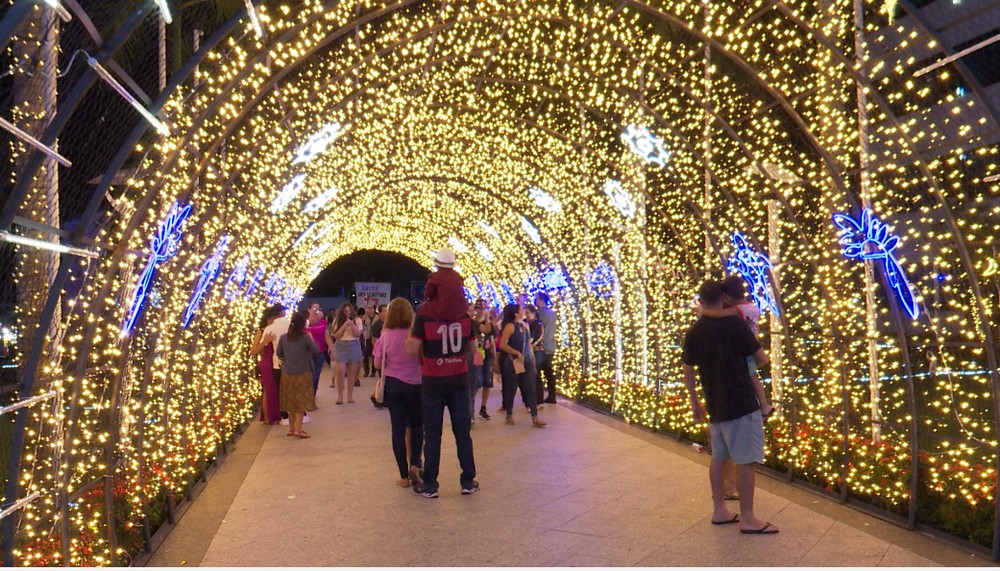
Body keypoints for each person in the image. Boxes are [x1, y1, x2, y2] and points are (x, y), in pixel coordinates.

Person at [682, 280, 777, 535]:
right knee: (745, 461)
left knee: (719, 456)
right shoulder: (735, 324)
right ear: (723, 297)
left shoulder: (695, 331)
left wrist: (695, 403)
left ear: (700, 300)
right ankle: (748, 518)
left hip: (715, 402)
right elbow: (762, 358)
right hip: (741, 401)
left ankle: (720, 510)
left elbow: (688, 370)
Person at [405, 247, 479, 498]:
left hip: (433, 381)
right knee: (462, 432)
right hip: (459, 379)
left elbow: (412, 348)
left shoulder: (425, 313)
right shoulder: (464, 313)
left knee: (433, 433)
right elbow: (472, 347)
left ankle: (431, 485)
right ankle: (468, 480)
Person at [699, 275, 773, 418]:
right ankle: (763, 405)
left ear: (727, 296)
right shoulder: (751, 307)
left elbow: (719, 314)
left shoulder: (739, 309)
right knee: (751, 375)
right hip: (752, 346)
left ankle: (764, 405)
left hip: (747, 348)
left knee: (750, 375)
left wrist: (704, 312)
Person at [373, 298, 423, 487]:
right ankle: (416, 464)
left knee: (398, 430)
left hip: (394, 385)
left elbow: (378, 363)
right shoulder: (415, 335)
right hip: (416, 384)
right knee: (417, 426)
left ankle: (403, 475)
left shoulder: (385, 336)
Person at [498, 303, 546, 428]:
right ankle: (509, 414)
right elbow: (503, 344)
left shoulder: (525, 325)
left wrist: (533, 361)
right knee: (511, 387)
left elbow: (528, 345)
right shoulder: (510, 326)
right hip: (513, 361)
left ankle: (535, 417)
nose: (523, 311)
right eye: (521, 310)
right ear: (515, 313)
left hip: (526, 360)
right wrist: (516, 352)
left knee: (530, 388)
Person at [276, 311, 320, 438]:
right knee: (300, 403)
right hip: (302, 373)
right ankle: (298, 430)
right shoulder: (304, 337)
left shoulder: (284, 337)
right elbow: (316, 350)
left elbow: (279, 353)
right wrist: (310, 338)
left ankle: (291, 429)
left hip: (287, 374)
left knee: (291, 403)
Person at [326, 302, 363, 404]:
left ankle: (350, 396)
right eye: (345, 311)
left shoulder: (358, 320)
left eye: (349, 310)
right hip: (341, 346)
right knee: (340, 372)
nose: (347, 312)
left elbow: (357, 334)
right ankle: (340, 396)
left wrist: (351, 324)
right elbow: (336, 335)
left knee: (352, 372)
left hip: (353, 345)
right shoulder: (336, 321)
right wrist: (344, 325)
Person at [250, 306, 280, 424]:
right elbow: (253, 351)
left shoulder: (278, 329)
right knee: (268, 389)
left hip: (277, 361)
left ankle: (277, 415)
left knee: (276, 389)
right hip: (267, 362)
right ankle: (267, 417)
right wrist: (265, 341)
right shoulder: (261, 331)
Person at [471, 299, 494, 420]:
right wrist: (486, 320)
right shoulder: (473, 322)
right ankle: (471, 407)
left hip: (487, 353)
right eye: (480, 309)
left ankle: (483, 407)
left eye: (484, 309)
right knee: (476, 379)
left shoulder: (487, 321)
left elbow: (491, 335)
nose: (483, 311)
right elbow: (485, 330)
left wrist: (493, 352)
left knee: (487, 381)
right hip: (478, 354)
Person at [534, 292, 558, 403]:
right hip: (551, 345)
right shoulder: (552, 313)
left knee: (537, 372)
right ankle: (552, 395)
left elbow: (538, 329)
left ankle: (538, 397)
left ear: (541, 300)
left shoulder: (539, 313)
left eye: (537, 299)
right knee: (549, 372)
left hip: (541, 346)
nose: (535, 301)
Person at [524, 304, 545, 411]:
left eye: (527, 312)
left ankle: (536, 401)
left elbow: (531, 339)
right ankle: (534, 401)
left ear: (533, 313)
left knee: (534, 376)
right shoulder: (528, 323)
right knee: (532, 377)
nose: (526, 315)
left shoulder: (536, 324)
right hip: (532, 351)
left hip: (535, 352)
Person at [305, 302, 328, 397]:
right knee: (311, 373)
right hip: (308, 352)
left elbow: (326, 336)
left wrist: (331, 347)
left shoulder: (322, 322)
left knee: (316, 373)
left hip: (320, 351)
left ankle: (312, 393)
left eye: (318, 308)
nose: (316, 311)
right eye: (314, 308)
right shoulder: (305, 322)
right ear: (309, 310)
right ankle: (309, 392)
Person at [358, 307, 373, 379]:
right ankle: (366, 371)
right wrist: (362, 320)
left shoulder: (377, 317)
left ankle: (374, 370)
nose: (370, 310)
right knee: (365, 354)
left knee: (374, 354)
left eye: (371, 308)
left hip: (374, 337)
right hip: (365, 338)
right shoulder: (364, 318)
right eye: (368, 308)